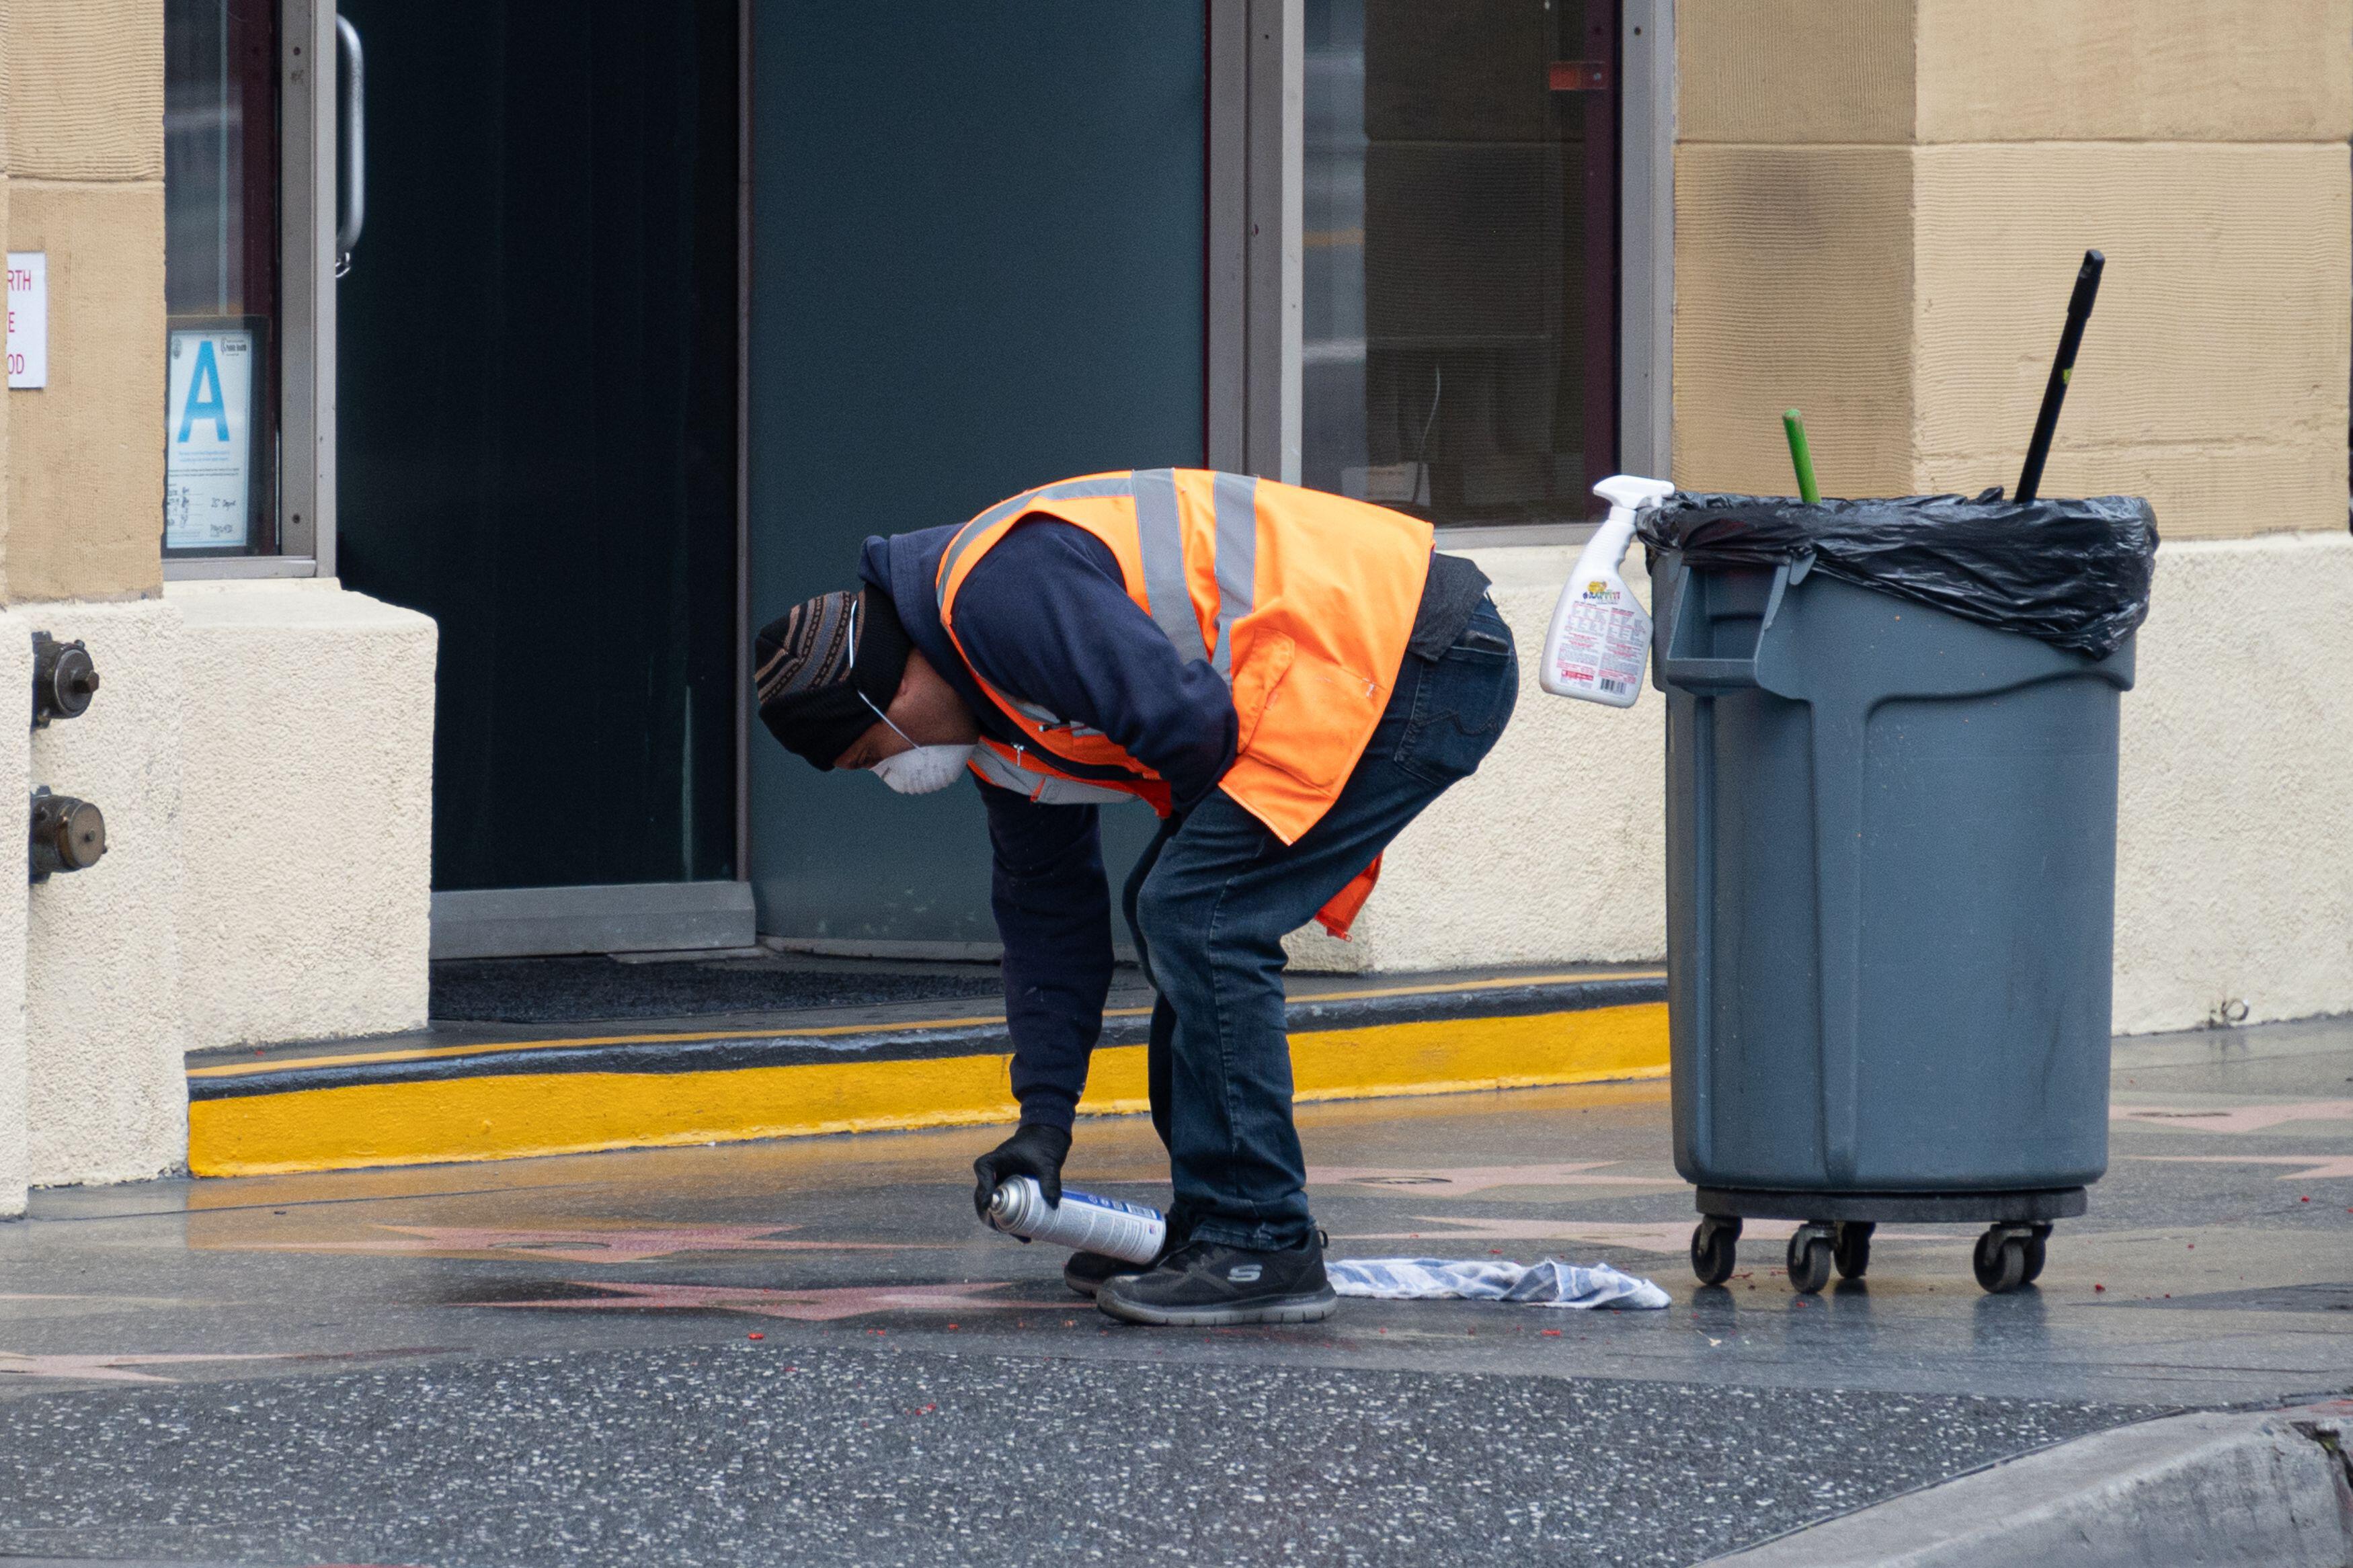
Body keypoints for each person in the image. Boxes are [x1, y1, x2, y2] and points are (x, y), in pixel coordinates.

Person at [754, 468, 1517, 1325]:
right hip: (1364, 663)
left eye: (869, 755)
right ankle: (1212, 1225)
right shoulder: (992, 718)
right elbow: (1048, 918)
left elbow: (1185, 720)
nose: (892, 775)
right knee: (1179, 908)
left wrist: (1194, 893)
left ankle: (1258, 1239)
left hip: (1415, 648)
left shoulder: (996, 594)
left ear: (889, 689)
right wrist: (1044, 1120)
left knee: (1195, 911)